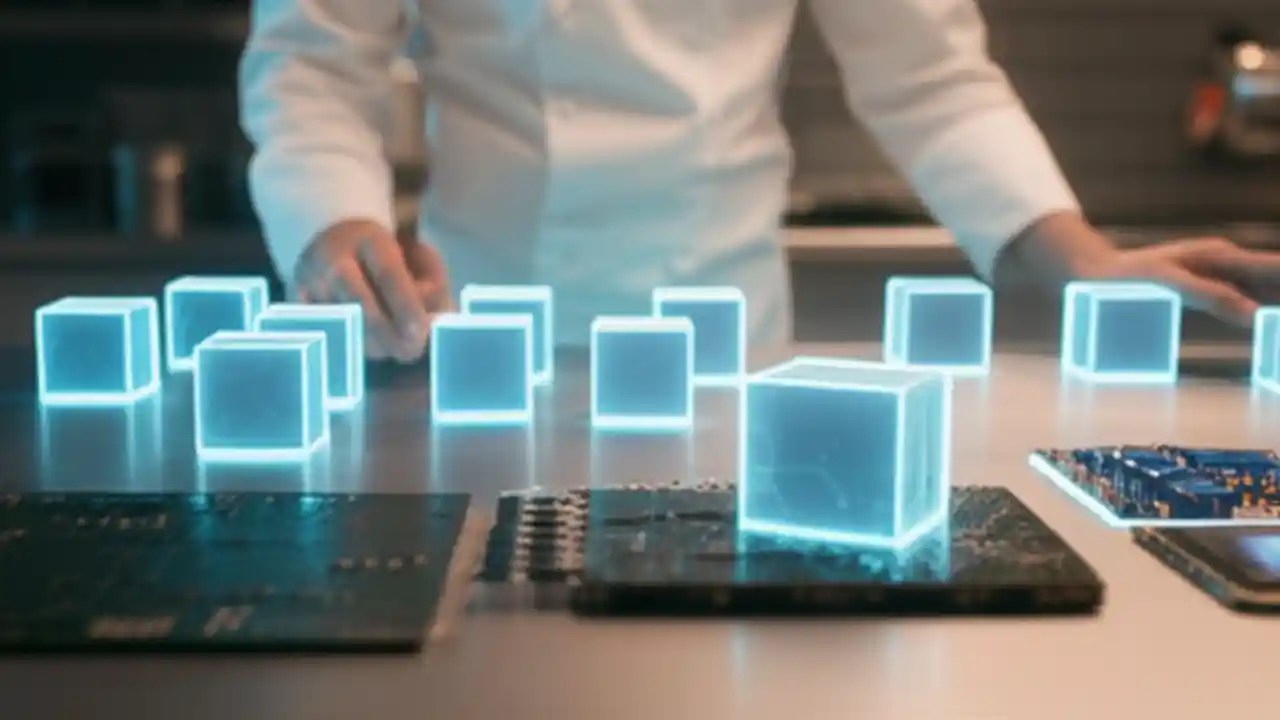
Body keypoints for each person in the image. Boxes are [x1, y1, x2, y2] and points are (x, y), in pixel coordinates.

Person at [239, 0, 1280, 363]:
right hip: (470, 333)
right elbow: (315, 62)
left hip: (720, 343)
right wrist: (330, 226)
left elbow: (929, 79)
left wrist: (1082, 262)